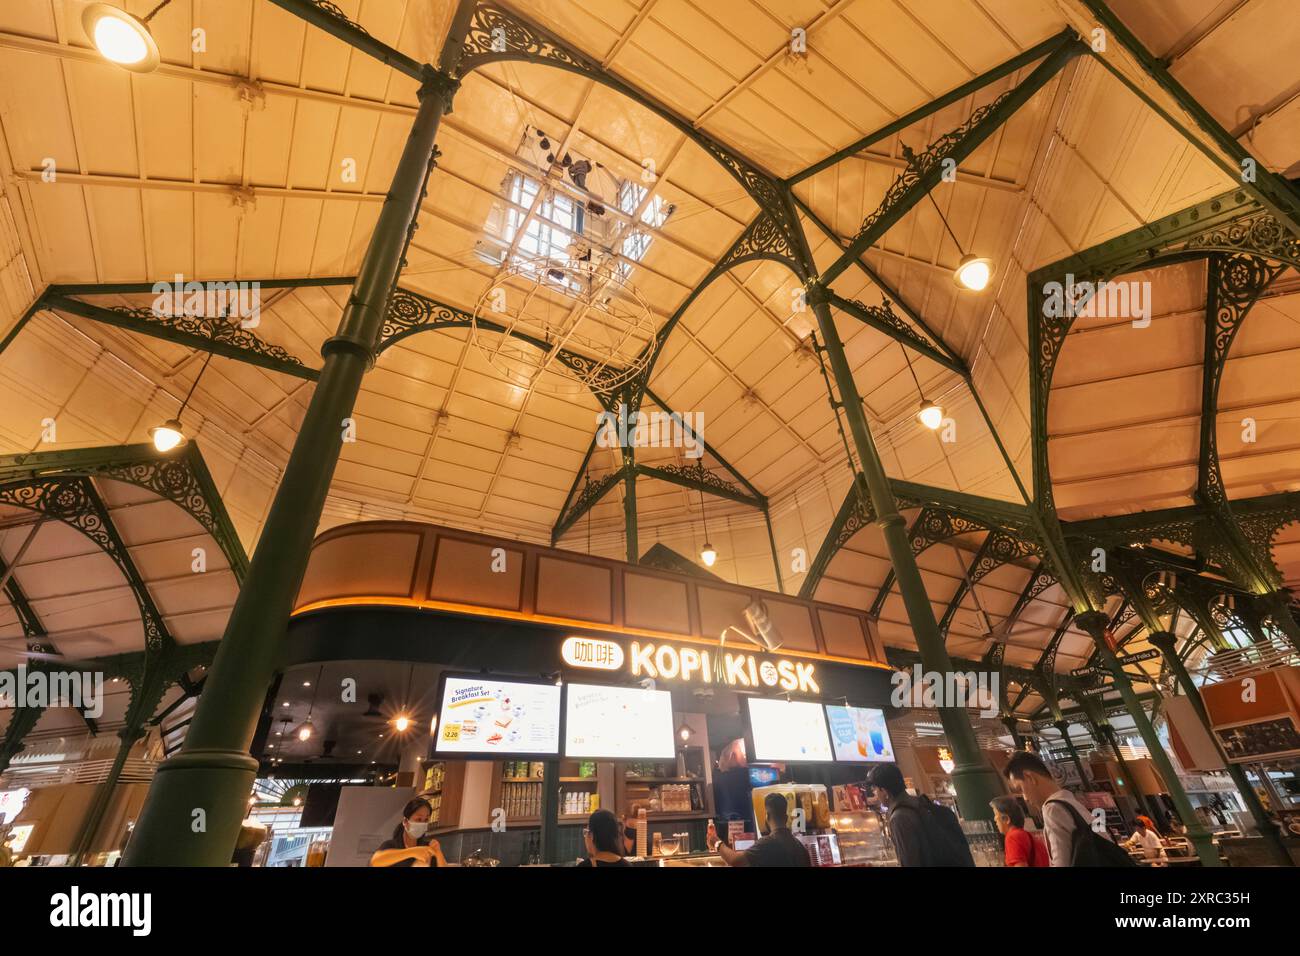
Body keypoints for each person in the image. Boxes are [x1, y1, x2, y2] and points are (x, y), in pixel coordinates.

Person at [1004, 751, 1114, 867]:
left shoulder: (1052, 809)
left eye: (1020, 788)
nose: (1025, 798)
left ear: (1029, 777)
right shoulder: (1070, 802)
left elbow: (1061, 863)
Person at [866, 763, 973, 867]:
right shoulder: (924, 805)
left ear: (884, 791)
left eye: (875, 790)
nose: (875, 795)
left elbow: (910, 861)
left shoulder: (899, 817)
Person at [715, 793, 811, 867]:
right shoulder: (800, 847)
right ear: (786, 818)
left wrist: (717, 842)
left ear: (767, 816)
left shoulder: (767, 843)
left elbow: (734, 861)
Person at [369, 798, 446, 867]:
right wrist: (413, 851)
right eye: (418, 819)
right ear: (405, 821)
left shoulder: (427, 848)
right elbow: (375, 861)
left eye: (426, 820)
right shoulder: (392, 845)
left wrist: (438, 853)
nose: (422, 824)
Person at [990, 795, 1048, 867]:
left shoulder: (1012, 837)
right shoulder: (1025, 835)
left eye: (996, 814)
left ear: (1007, 819)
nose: (995, 819)